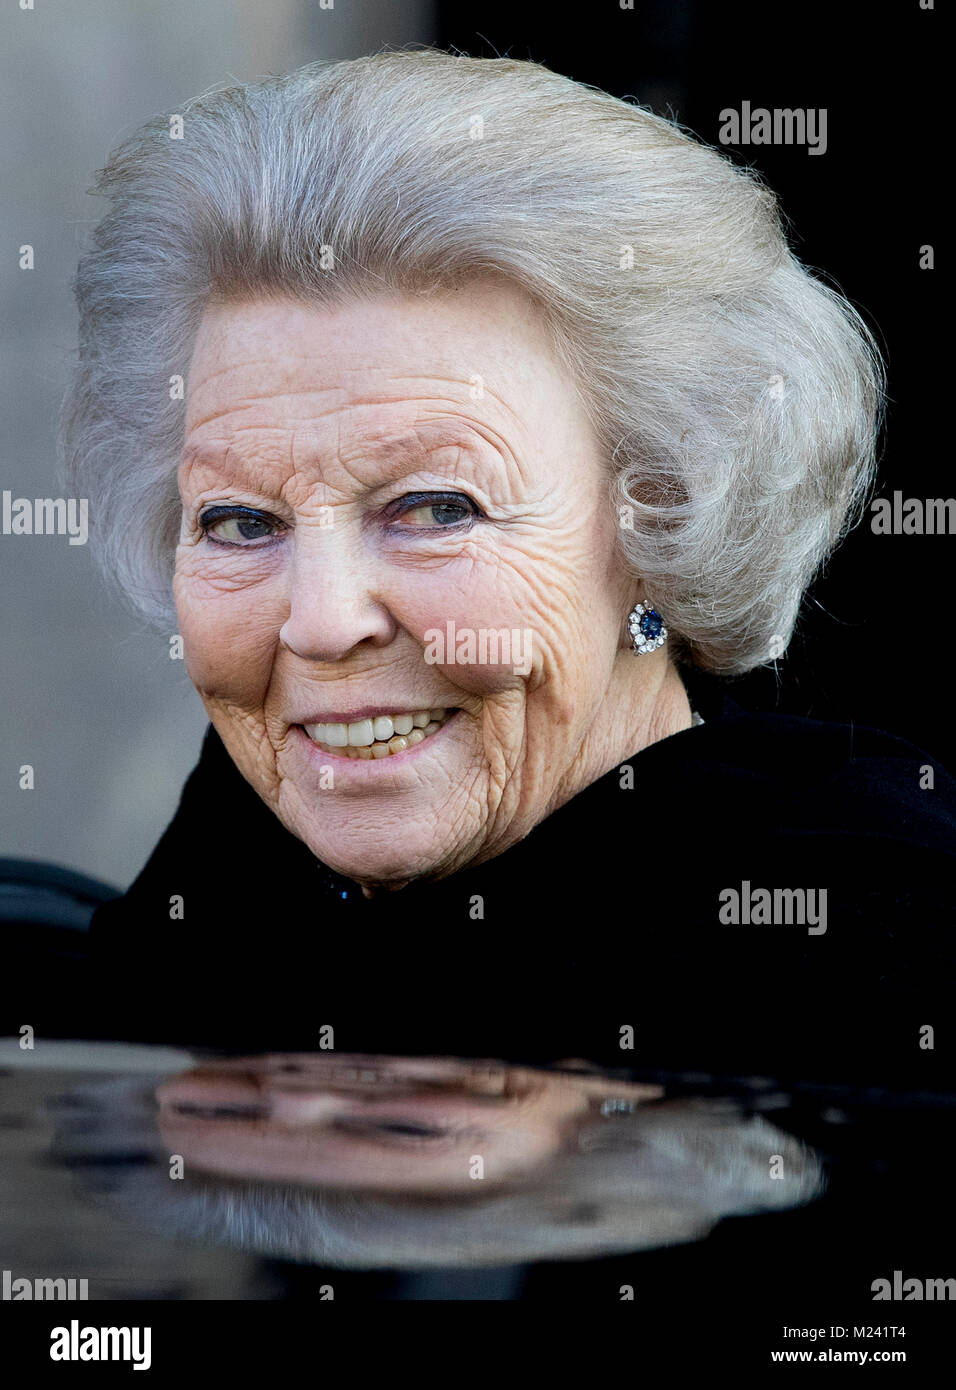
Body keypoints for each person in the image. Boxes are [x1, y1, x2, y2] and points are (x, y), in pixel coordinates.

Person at [44, 48, 953, 1064]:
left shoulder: (860, 922)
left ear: (660, 517)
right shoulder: (253, 839)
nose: (321, 619)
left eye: (434, 507)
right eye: (243, 522)